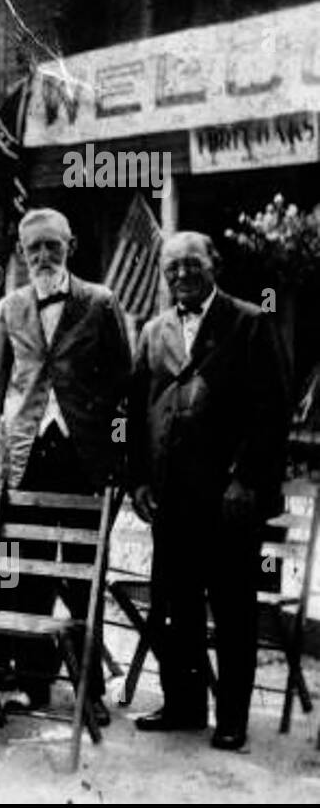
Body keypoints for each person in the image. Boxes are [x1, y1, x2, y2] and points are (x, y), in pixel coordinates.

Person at [129, 231, 290, 751]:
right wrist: (138, 480)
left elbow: (272, 412)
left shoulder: (249, 321)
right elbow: (135, 413)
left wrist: (245, 480)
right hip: (170, 498)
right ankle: (183, 703)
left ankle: (232, 717)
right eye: (171, 266)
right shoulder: (153, 331)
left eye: (191, 263)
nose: (182, 274)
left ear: (213, 264)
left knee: (233, 607)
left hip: (228, 499)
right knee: (173, 604)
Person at [0, 207, 131, 722]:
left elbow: (125, 385)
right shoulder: (9, 307)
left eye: (52, 245)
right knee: (27, 574)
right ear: (23, 255)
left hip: (85, 458)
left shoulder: (100, 301)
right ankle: (35, 685)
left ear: (69, 245)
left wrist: (116, 453)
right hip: (29, 456)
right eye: (33, 249)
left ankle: (89, 689)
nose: (43, 256)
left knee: (82, 578)